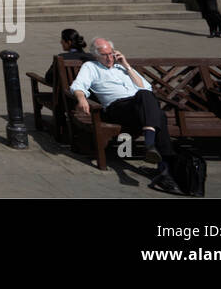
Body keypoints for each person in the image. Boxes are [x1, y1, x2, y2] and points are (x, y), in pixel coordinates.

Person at [69, 37, 181, 193]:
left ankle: (163, 170)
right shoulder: (91, 67)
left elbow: (146, 87)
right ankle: (157, 155)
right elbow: (78, 85)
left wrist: (126, 66)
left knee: (153, 106)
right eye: (104, 55)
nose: (109, 58)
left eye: (111, 54)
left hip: (138, 107)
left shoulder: (122, 68)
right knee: (157, 112)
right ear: (96, 55)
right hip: (117, 108)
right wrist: (82, 99)